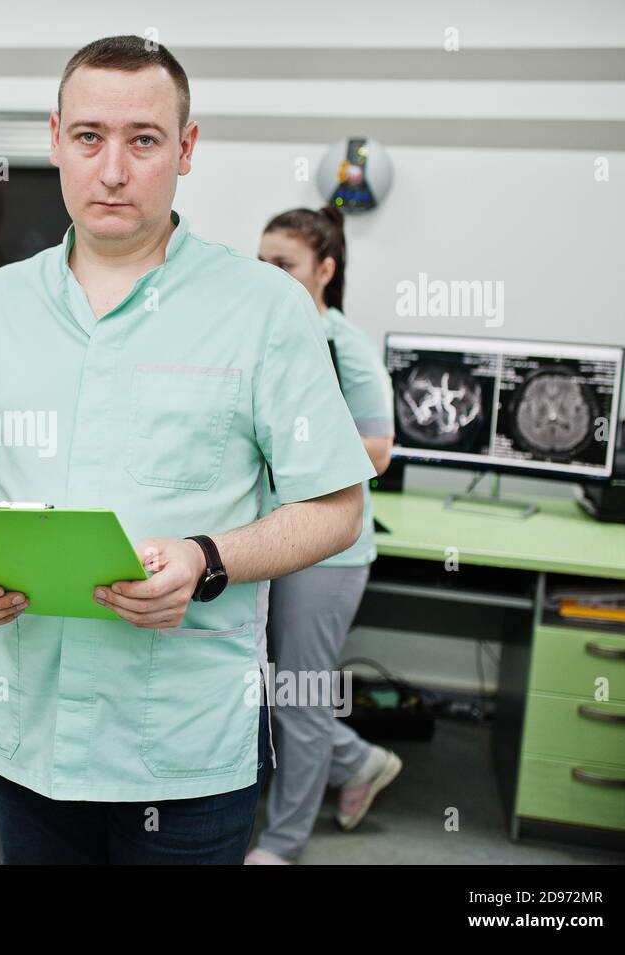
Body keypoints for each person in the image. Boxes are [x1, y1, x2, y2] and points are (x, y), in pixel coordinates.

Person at [0, 35, 376, 864]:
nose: (112, 170)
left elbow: (338, 508)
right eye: (89, 138)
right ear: (54, 140)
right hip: (26, 734)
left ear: (185, 148)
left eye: (143, 140)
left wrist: (207, 557)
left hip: (183, 750)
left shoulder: (263, 309)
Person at [245, 206, 402, 865]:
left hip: (329, 548)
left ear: (325, 269)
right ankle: (360, 759)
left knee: (299, 696)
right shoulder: (264, 336)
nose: (268, 275)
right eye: (261, 263)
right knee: (265, 685)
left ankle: (281, 844)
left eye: (283, 264)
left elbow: (379, 451)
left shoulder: (348, 349)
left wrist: (302, 454)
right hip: (268, 532)